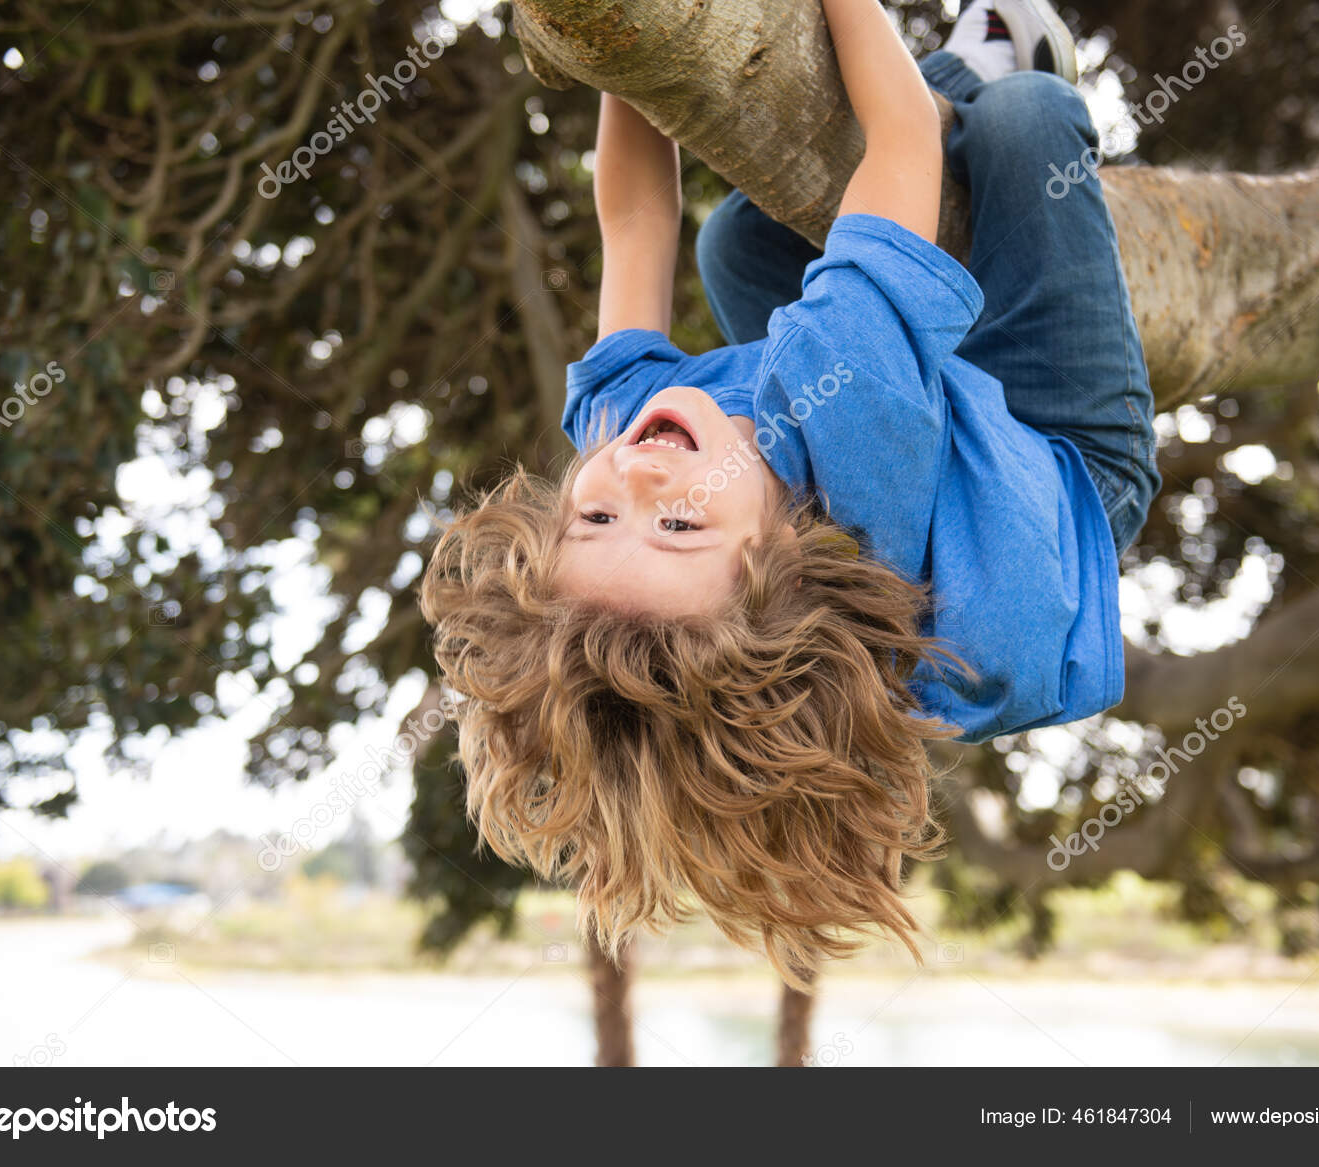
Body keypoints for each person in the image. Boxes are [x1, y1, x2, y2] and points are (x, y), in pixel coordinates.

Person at [420, 0, 1158, 987]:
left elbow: (634, 219)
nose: (635, 476)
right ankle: (985, 61)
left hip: (919, 435)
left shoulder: (627, 431)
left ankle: (914, 283)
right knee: (1023, 122)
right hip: (1058, 458)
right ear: (791, 564)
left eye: (593, 519)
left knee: (733, 243)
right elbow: (900, 138)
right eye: (676, 523)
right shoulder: (848, 402)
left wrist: (623, 45)